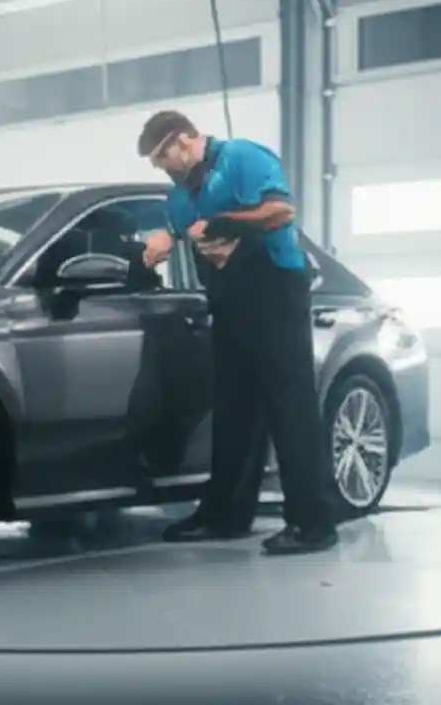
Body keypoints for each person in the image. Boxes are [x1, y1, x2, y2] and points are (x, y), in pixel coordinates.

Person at [136, 110, 338, 555]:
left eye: (161, 157)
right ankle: (225, 515)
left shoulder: (242, 158)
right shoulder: (180, 196)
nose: (161, 167)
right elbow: (180, 230)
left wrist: (225, 223)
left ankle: (313, 523)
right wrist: (163, 241)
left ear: (183, 141)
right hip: (230, 299)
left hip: (276, 289)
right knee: (234, 409)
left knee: (290, 406)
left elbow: (281, 210)